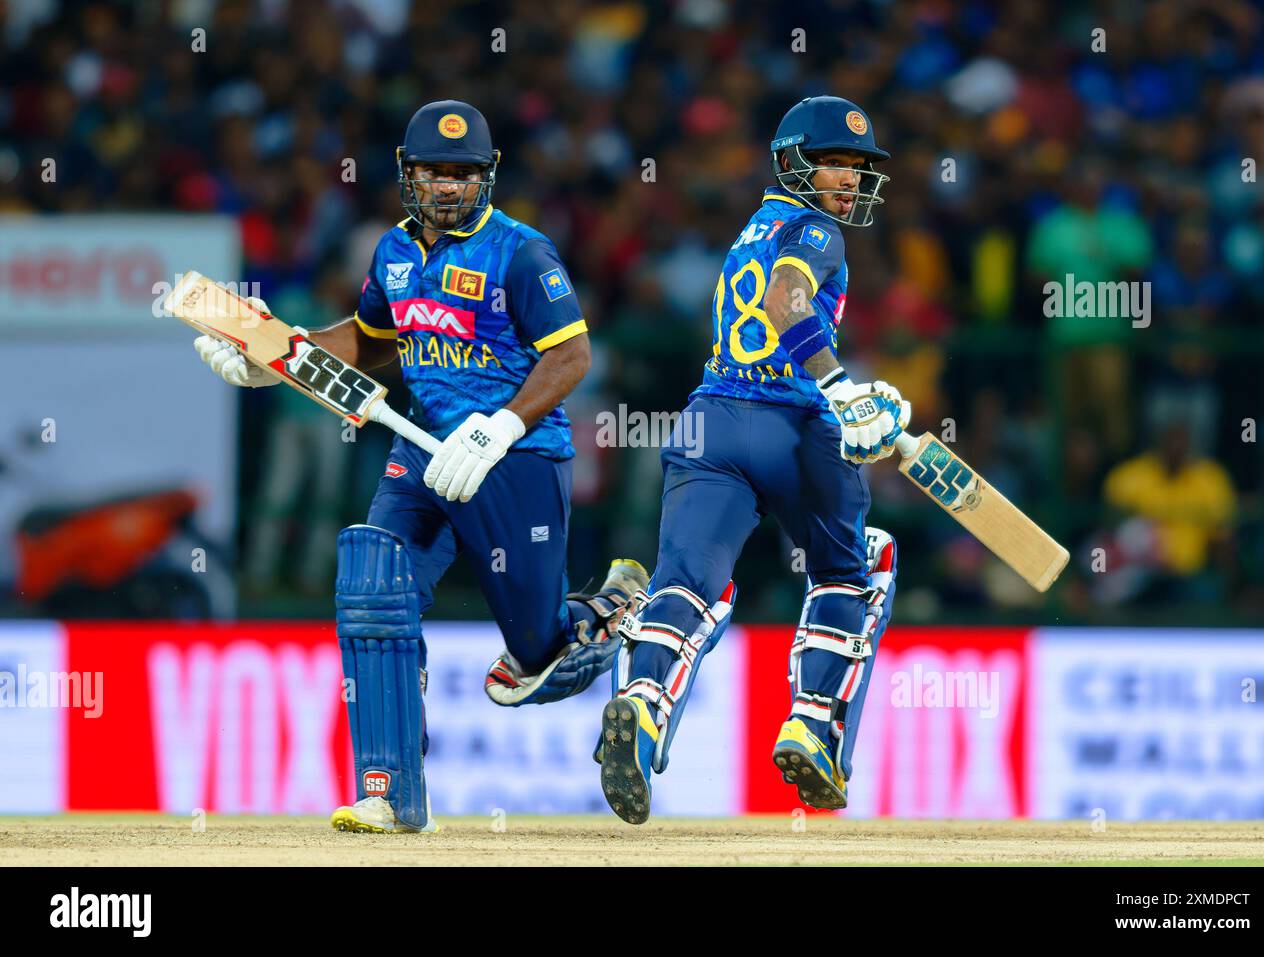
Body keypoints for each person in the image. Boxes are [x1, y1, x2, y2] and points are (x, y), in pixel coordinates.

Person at [194, 100, 647, 833]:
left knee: (533, 661)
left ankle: (611, 608)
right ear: (407, 174)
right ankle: (390, 792)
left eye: (463, 174)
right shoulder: (393, 252)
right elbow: (376, 342)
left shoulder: (522, 253)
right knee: (374, 585)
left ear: (488, 177)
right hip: (420, 446)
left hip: (516, 458)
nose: (447, 187)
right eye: (434, 172)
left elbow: (571, 355)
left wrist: (498, 428)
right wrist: (278, 359)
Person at [596, 96, 907, 824]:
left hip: (710, 422)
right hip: (794, 425)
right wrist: (839, 386)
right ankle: (811, 725)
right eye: (834, 161)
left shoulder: (754, 226)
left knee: (687, 584)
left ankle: (640, 707)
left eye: (858, 167)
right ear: (793, 161)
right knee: (857, 565)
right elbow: (787, 296)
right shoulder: (816, 230)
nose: (849, 179)